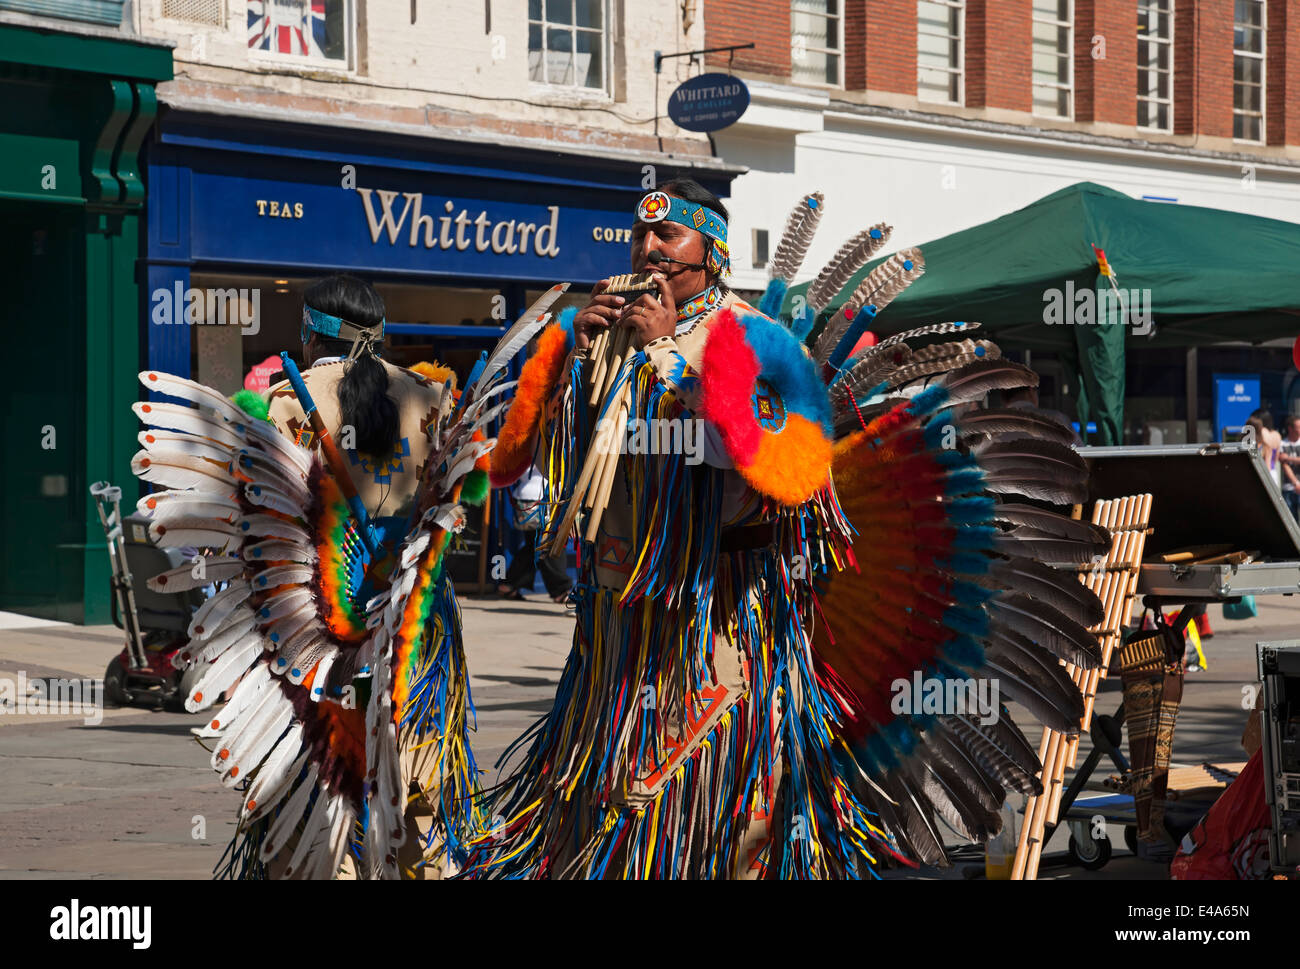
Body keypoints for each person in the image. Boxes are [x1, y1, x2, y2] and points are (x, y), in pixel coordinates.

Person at [469, 182, 1106, 878]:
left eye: (668, 239)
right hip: (617, 625)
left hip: (719, 618)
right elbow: (547, 467)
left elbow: (770, 463)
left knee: (716, 806)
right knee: (606, 800)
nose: (648, 251)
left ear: (710, 253)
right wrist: (570, 364)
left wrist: (670, 360)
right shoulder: (607, 335)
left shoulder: (753, 339)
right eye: (639, 236)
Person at [131, 273, 491, 879]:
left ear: (310, 332)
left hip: (314, 630)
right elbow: (468, 488)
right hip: (413, 624)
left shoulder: (284, 404)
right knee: (412, 776)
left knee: (319, 782)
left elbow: (248, 523)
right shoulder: (430, 399)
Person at [1279, 415, 1300, 520]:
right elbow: (1284, 465)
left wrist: (1289, 458)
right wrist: (1296, 483)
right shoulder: (1282, 444)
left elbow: (1286, 459)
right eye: (1298, 427)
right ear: (1290, 428)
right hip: (1288, 488)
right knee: (1291, 520)